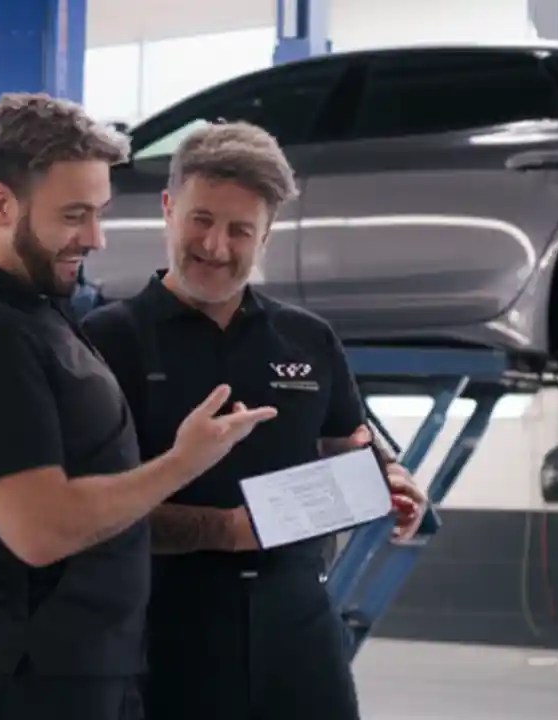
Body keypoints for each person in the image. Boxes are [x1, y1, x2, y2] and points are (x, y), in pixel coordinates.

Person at [0, 94, 278, 720]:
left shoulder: (34, 311)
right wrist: (184, 462)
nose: (95, 237)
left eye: (99, 212)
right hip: (24, 680)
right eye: (75, 215)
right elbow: (42, 529)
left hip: (78, 666)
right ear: (0, 203)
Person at [80, 121, 429, 720]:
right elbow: (86, 513)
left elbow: (353, 447)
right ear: (169, 207)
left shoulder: (309, 339)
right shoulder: (108, 342)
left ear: (266, 236)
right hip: (160, 638)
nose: (216, 246)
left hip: (299, 634)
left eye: (240, 229)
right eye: (201, 220)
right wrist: (227, 529)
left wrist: (394, 482)